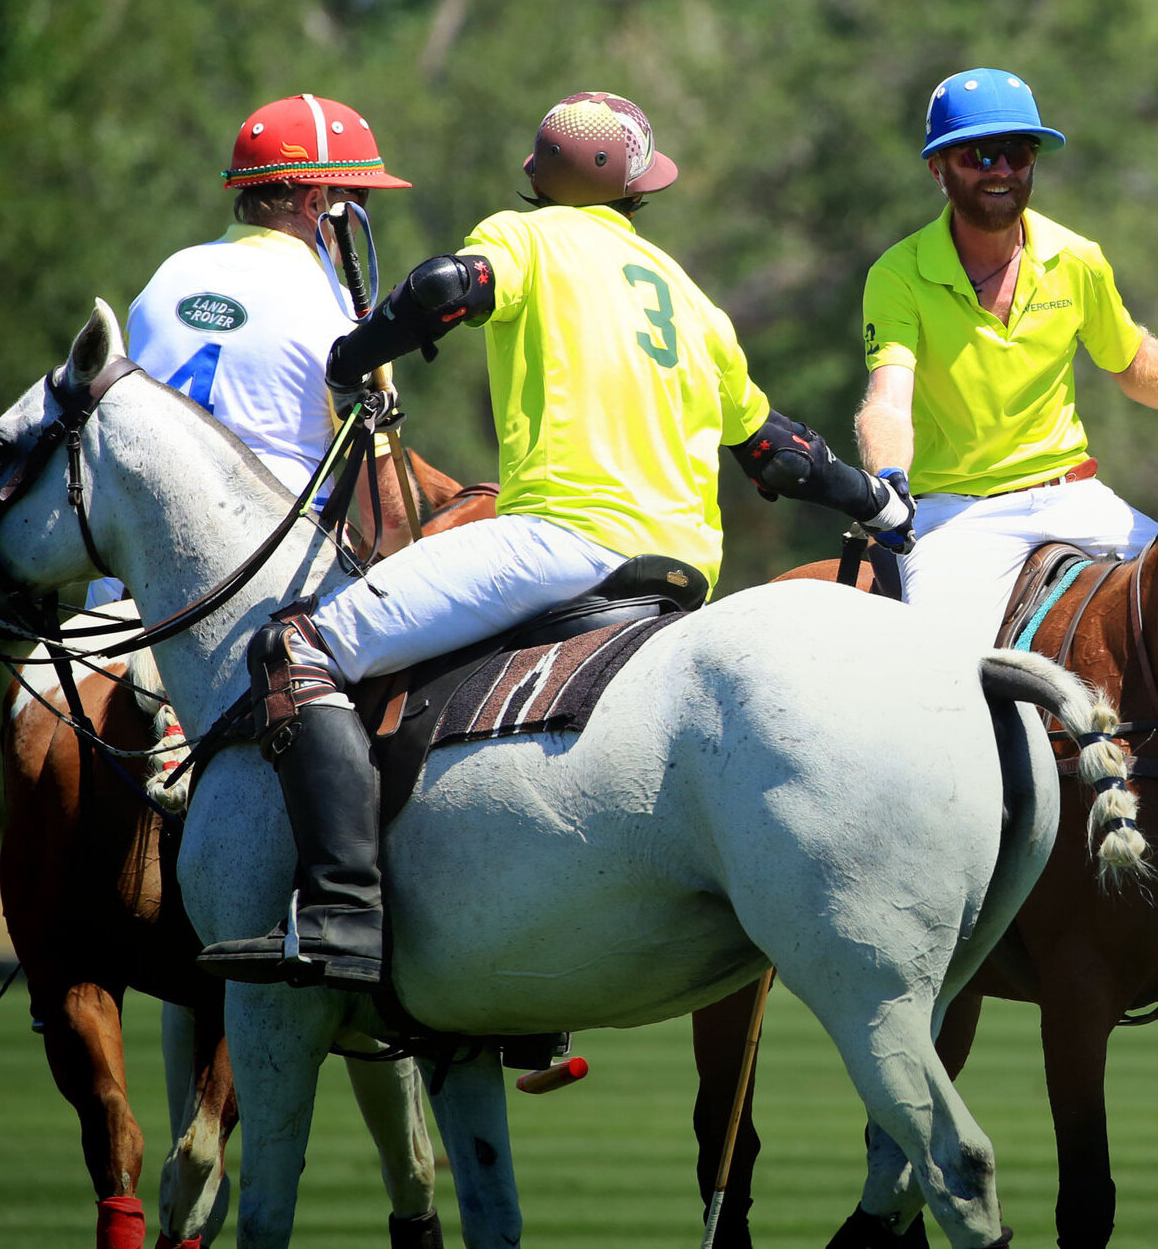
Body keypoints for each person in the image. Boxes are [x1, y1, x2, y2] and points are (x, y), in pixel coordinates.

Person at [197, 91, 911, 991]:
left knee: (299, 646)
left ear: (542, 173)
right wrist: (878, 506)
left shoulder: (526, 236)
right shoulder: (691, 299)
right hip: (683, 575)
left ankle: (342, 910)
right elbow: (779, 450)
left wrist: (350, 357)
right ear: (638, 187)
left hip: (560, 540)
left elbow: (446, 288)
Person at [857, 67, 1158, 648]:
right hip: (959, 515)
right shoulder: (897, 275)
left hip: (1073, 496)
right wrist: (888, 477)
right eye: (980, 155)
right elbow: (889, 401)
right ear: (938, 169)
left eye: (1017, 152)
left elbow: (1128, 357)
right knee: (935, 673)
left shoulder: (1077, 257)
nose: (1002, 170)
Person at [88, 92, 414, 618]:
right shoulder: (341, 321)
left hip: (117, 597)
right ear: (317, 204)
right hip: (253, 598)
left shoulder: (166, 278)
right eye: (358, 203)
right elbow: (388, 528)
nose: (359, 222)